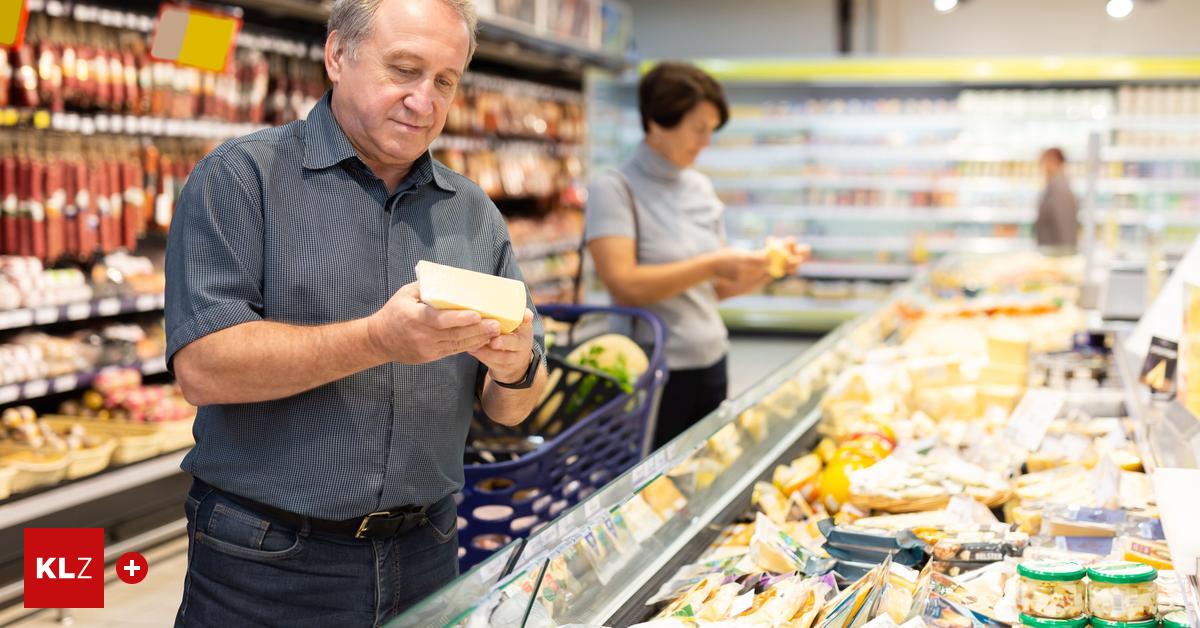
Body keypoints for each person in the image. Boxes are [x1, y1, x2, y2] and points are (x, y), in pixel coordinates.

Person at [164, 0, 548, 625]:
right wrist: (378, 339)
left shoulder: (473, 213)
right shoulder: (241, 179)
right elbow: (203, 368)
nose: (423, 101)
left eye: (444, 81)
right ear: (338, 55)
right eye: (403, 70)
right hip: (269, 562)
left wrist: (514, 368)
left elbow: (514, 405)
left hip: (429, 552)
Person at [585, 62, 805, 451]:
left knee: (702, 475)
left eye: (711, 131)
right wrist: (714, 263)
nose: (706, 142)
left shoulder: (700, 188)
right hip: (657, 373)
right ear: (656, 121)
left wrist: (771, 269)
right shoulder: (614, 189)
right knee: (649, 487)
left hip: (712, 360)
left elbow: (715, 290)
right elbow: (624, 284)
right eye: (698, 129)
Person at [1035, 147, 1080, 252]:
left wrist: (1067, 253)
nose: (1043, 166)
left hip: (1058, 252)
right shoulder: (1052, 184)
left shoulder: (1060, 187)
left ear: (1055, 161)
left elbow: (1065, 225)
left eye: (1045, 161)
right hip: (1052, 251)